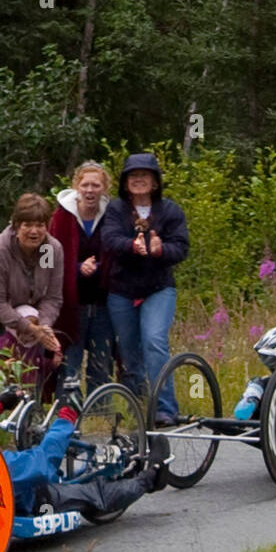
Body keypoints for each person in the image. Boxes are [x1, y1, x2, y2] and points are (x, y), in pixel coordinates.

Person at [0, 384, 170, 520]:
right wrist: (66, 419)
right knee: (94, 496)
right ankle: (151, 479)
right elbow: (44, 463)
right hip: (35, 502)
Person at [100, 153, 189, 426]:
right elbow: (109, 239)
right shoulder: (115, 209)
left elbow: (182, 247)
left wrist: (161, 250)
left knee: (154, 342)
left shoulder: (170, 210)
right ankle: (137, 409)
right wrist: (131, 246)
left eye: (145, 175)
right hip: (122, 290)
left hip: (158, 288)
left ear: (154, 182)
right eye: (133, 176)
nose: (139, 180)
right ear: (126, 183)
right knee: (128, 352)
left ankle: (165, 409)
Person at [0, 193, 65, 362]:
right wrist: (30, 328)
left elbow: (52, 297)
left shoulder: (49, 250)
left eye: (40, 225)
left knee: (25, 374)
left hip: (26, 318)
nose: (34, 231)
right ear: (16, 226)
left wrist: (44, 327)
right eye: (27, 225)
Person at [50, 161, 116, 392]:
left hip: (102, 300)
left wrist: (99, 265)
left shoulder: (112, 215)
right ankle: (68, 410)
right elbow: (48, 256)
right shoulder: (61, 216)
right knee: (71, 359)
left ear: (104, 188)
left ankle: (101, 413)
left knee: (102, 359)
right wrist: (77, 267)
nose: (90, 190)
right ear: (77, 186)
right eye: (85, 185)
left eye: (96, 185)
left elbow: (116, 250)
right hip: (71, 301)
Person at [0, 304, 63, 389]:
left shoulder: (34, 346)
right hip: (8, 387)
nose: (29, 333)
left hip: (29, 388)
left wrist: (52, 364)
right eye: (25, 329)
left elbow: (38, 363)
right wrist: (2, 365)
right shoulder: (4, 342)